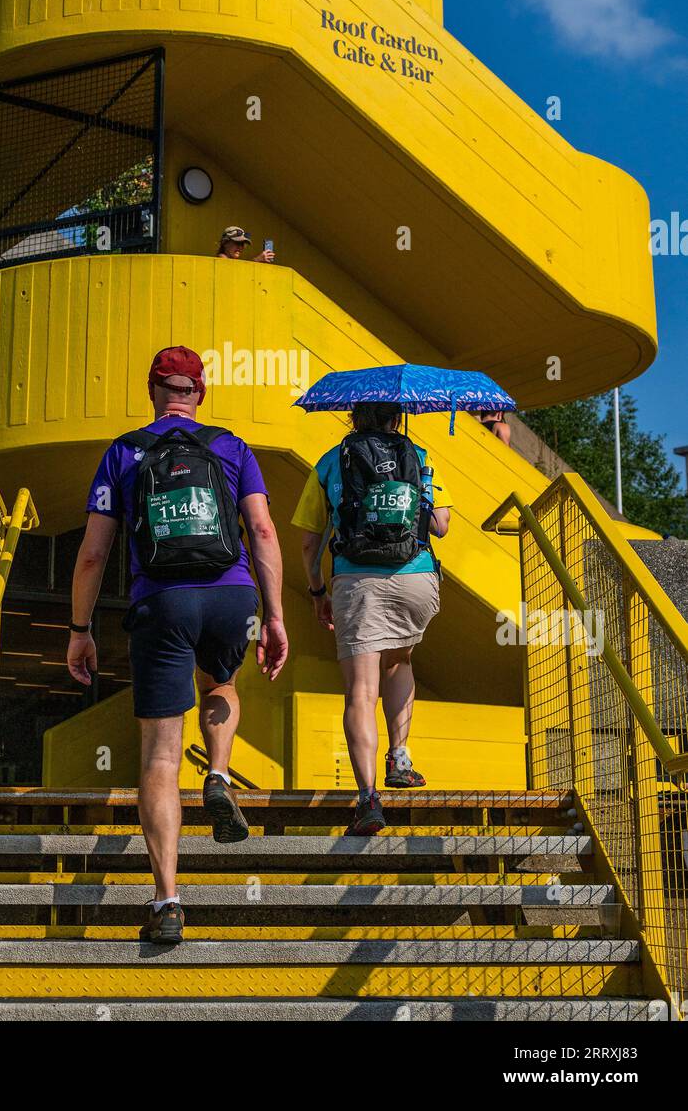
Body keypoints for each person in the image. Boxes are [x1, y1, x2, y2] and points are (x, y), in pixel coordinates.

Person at [67, 345, 288, 944]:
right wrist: (274, 616)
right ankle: (217, 773)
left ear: (153, 391)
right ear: (200, 392)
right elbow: (262, 530)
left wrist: (81, 630)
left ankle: (167, 901)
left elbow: (92, 554)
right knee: (222, 684)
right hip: (231, 596)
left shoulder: (125, 451)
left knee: (161, 757)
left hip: (162, 601)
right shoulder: (232, 447)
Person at [292, 402, 451, 836]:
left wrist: (317, 591)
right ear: (397, 418)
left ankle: (368, 799)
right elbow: (441, 525)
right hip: (415, 578)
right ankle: (400, 759)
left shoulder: (332, 461)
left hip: (357, 580)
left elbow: (309, 542)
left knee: (361, 693)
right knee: (399, 661)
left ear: (353, 417)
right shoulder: (420, 457)